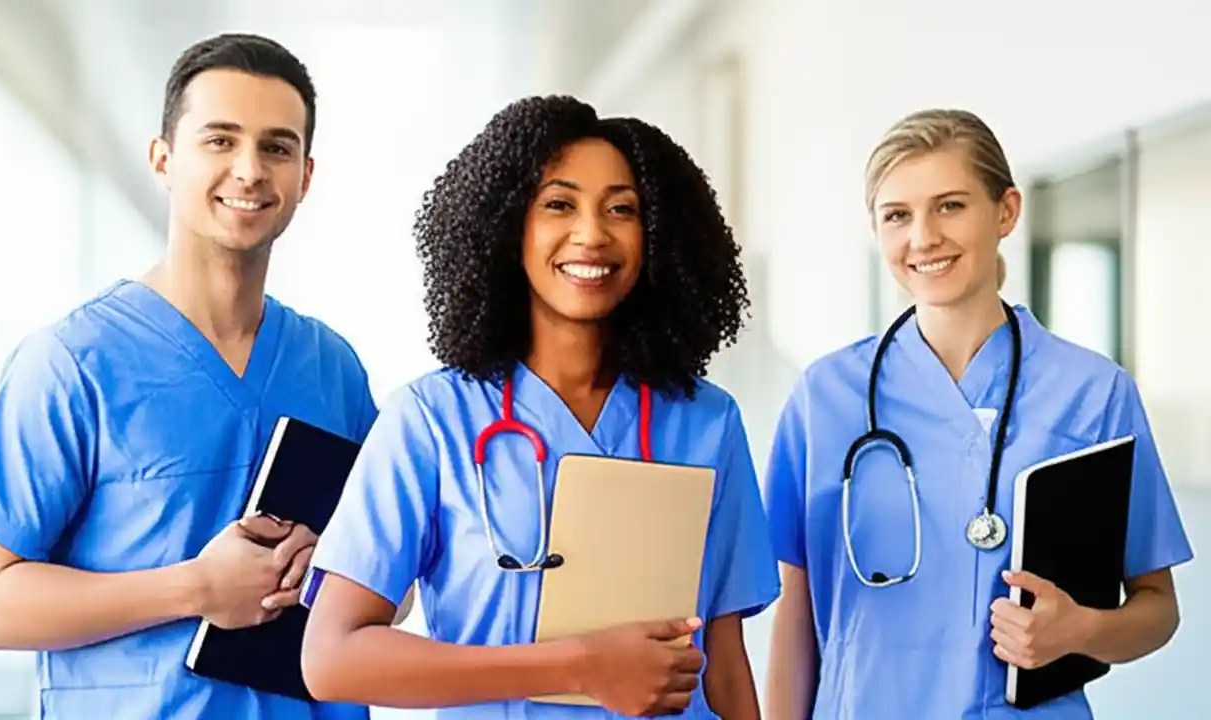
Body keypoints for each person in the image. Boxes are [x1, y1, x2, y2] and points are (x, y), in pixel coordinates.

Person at [299, 95, 780, 718]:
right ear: (508, 226)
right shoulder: (431, 419)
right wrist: (580, 664)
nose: (592, 233)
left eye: (622, 209)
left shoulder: (707, 422)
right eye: (559, 204)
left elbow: (725, 663)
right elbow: (333, 658)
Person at [0, 33, 379, 719]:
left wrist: (332, 571)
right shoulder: (72, 363)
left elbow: (389, 584)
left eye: (276, 147)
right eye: (219, 140)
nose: (249, 170)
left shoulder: (333, 368)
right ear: (163, 159)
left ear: (305, 175)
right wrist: (197, 588)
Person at [763, 108, 1193, 719]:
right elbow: (797, 609)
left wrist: (1078, 631)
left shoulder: (1093, 392)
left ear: (1006, 212)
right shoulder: (825, 397)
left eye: (950, 205)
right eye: (897, 216)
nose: (923, 237)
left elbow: (1157, 607)